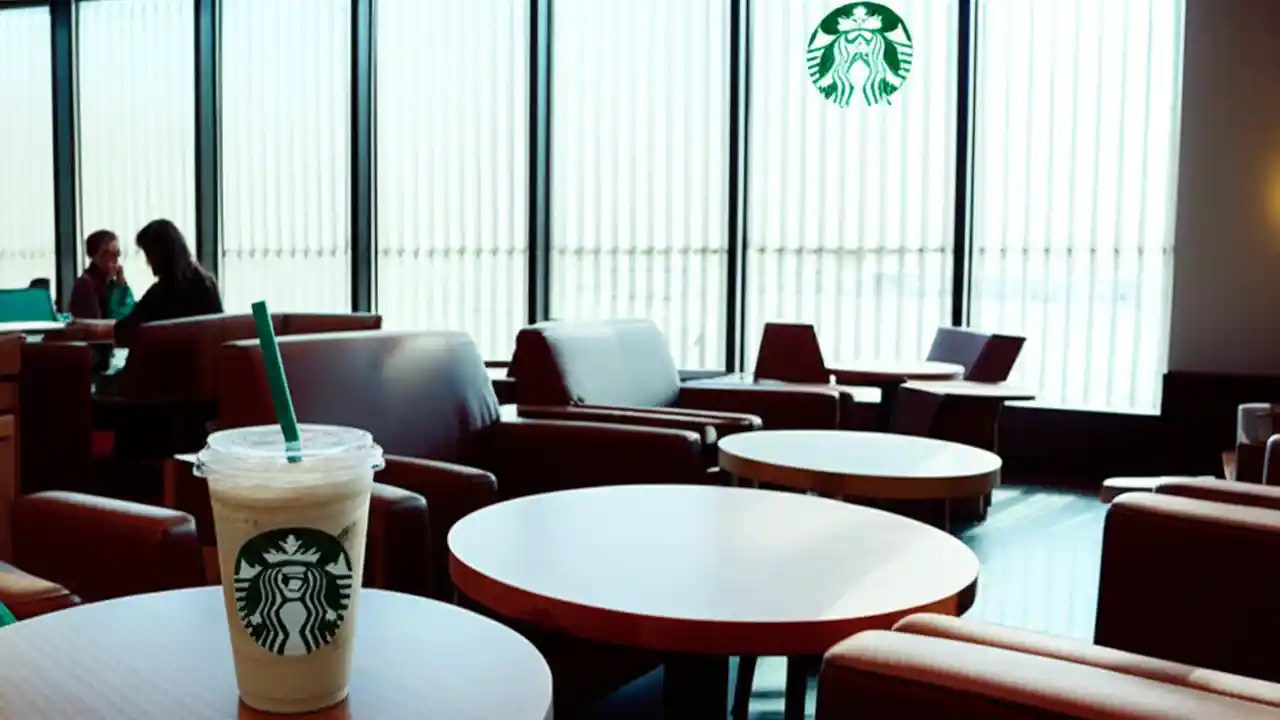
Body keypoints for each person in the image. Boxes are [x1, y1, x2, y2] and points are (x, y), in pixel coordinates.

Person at [114, 219, 223, 346]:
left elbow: (124, 331)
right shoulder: (207, 284)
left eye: (148, 254)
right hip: (204, 358)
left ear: (158, 254)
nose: (148, 263)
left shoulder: (162, 293)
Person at [69, 230, 135, 320]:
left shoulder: (114, 282)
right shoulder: (85, 285)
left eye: (118, 253)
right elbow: (94, 321)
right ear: (96, 256)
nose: (116, 258)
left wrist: (121, 286)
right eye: (110, 254)